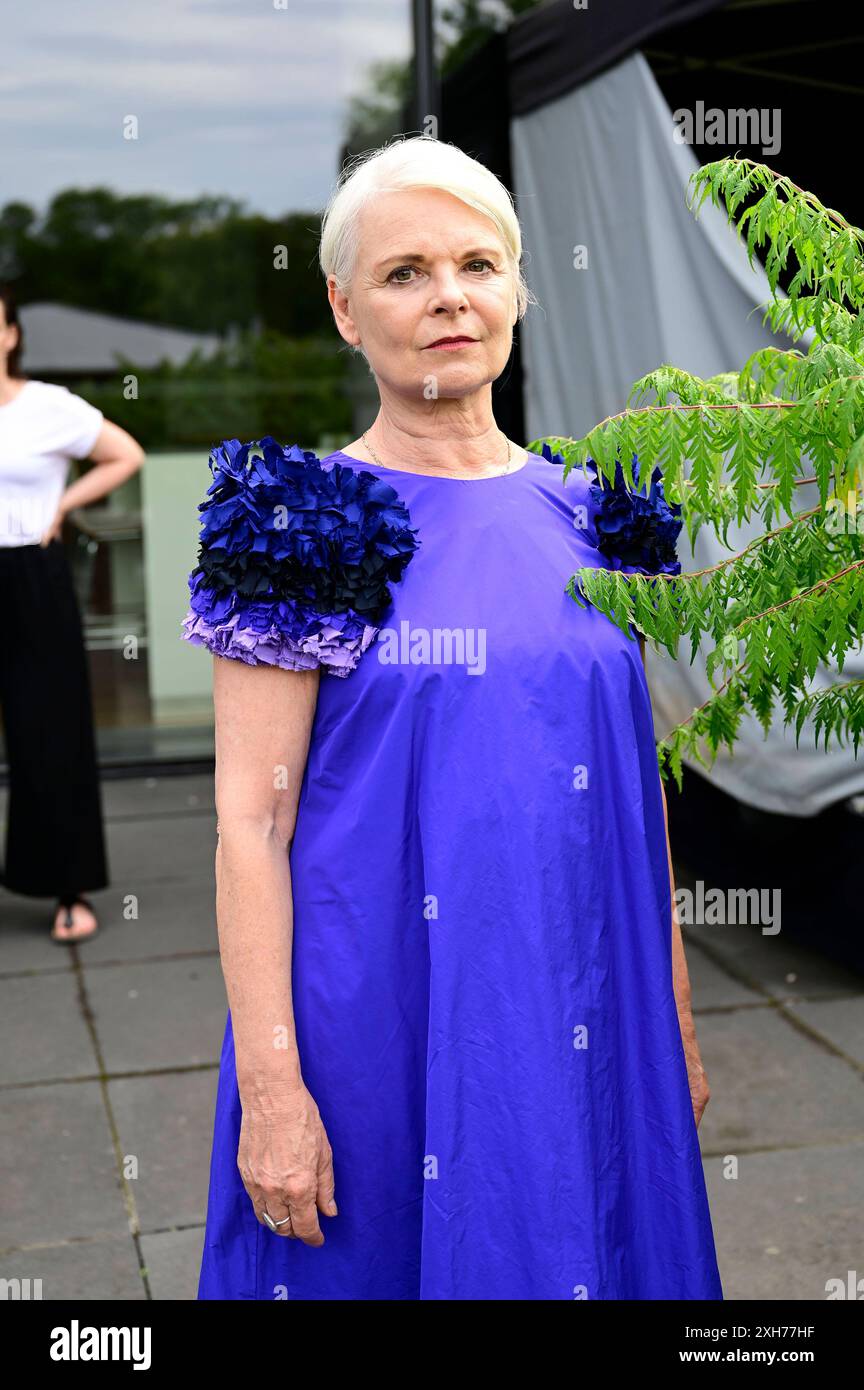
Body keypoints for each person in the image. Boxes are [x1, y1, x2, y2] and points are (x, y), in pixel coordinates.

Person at [182, 135, 723, 1300]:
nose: (449, 299)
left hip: (581, 1002)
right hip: (373, 1019)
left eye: (478, 264)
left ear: (518, 288)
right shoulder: (299, 525)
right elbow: (248, 829)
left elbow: (634, 794)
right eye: (404, 273)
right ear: (343, 307)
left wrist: (668, 1015)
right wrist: (275, 1087)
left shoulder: (597, 513)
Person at [0, 284, 145, 941]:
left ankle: (68, 890)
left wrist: (61, 507)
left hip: (31, 571)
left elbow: (125, 454)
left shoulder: (48, 408)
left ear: (10, 336)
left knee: (48, 733)